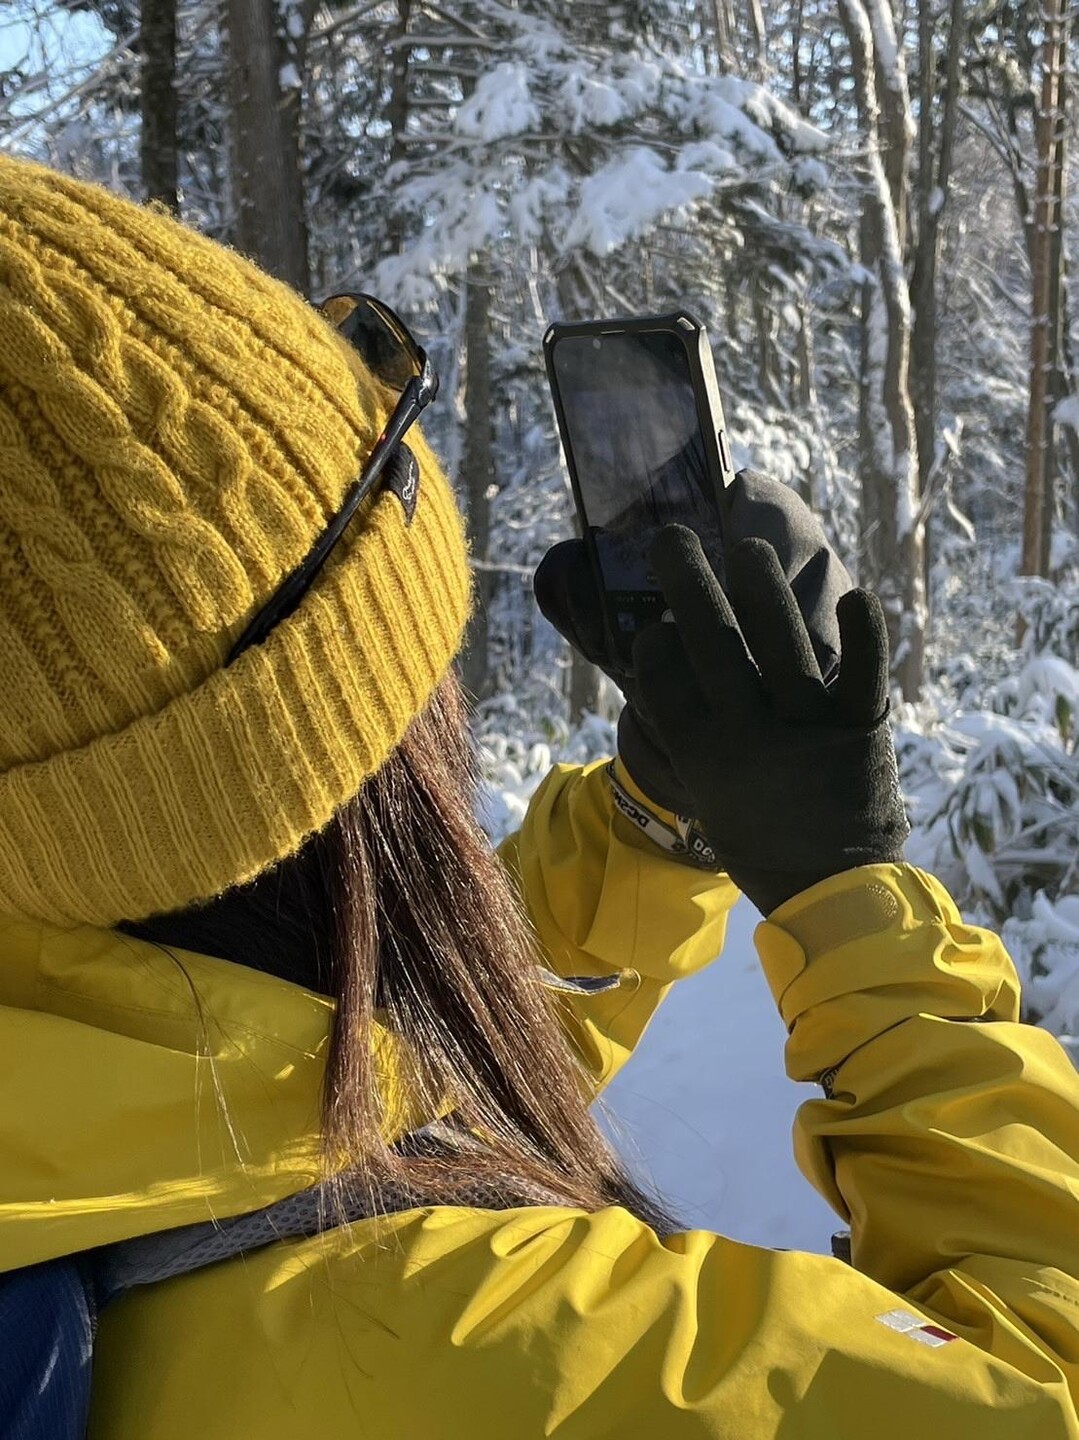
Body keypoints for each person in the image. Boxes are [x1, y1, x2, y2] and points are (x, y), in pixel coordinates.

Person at [0, 152, 1078, 1440]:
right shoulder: (500, 1357)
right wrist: (850, 896)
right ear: (322, 753)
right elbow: (1036, 1396)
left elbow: (323, 1066)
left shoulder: (83, 1097)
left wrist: (649, 826)